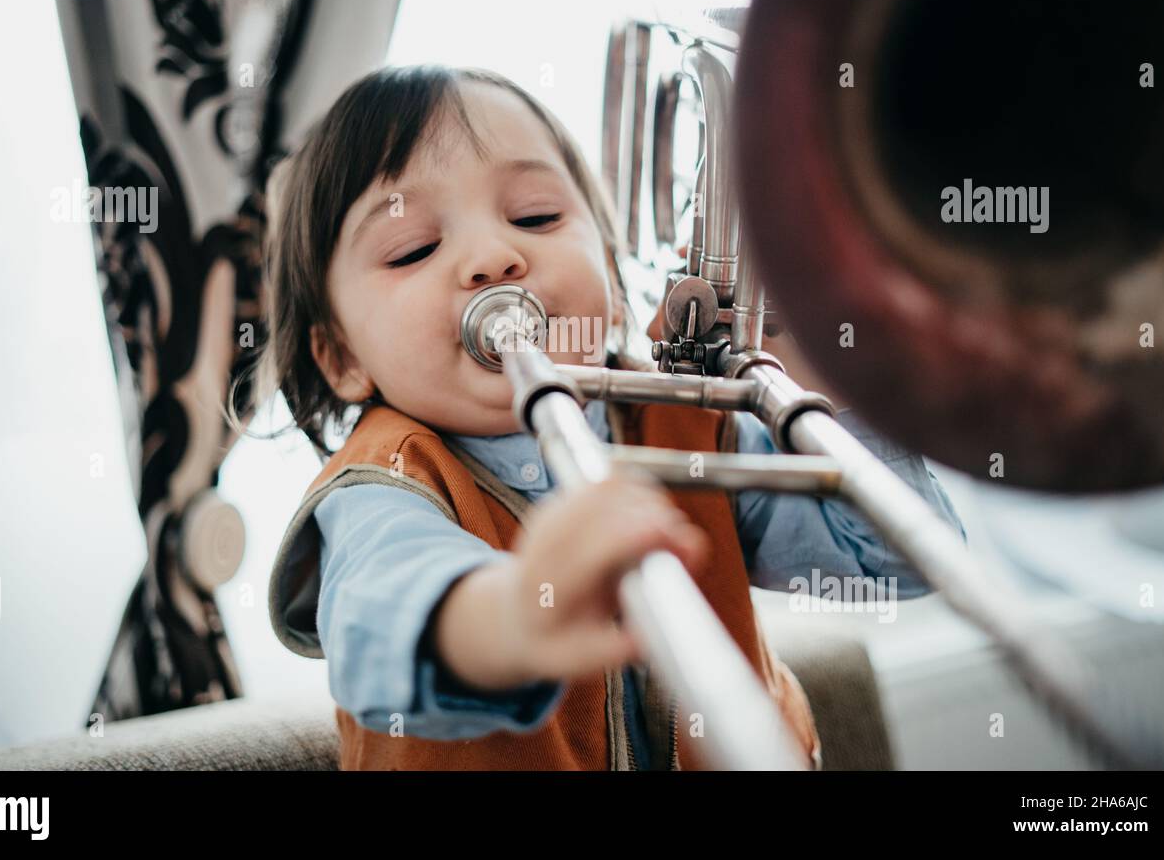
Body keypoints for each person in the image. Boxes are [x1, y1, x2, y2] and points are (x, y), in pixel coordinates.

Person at [242, 64, 966, 770]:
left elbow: (894, 560)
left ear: (614, 291)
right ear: (340, 358)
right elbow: (382, 626)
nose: (493, 258)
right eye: (414, 249)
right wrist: (515, 614)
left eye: (536, 216)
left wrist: (835, 375)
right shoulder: (383, 486)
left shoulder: (685, 425)